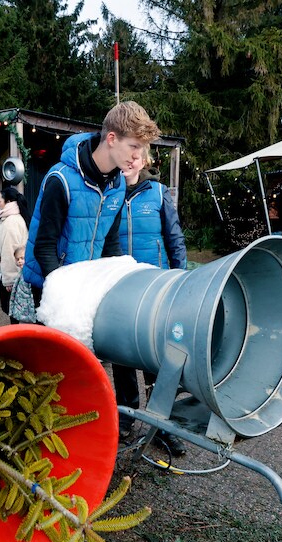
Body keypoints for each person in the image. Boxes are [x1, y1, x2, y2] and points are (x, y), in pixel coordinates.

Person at [22, 101, 161, 303]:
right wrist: (61, 293)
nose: (138, 156)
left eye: (141, 148)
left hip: (84, 286)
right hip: (48, 288)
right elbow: (44, 246)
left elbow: (111, 244)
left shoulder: (118, 185)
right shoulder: (60, 180)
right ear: (112, 138)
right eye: (133, 146)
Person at [113, 156, 187, 455]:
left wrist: (181, 282)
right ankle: (126, 416)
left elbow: (174, 239)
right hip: (120, 288)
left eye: (136, 157)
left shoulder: (158, 193)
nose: (129, 162)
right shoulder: (110, 194)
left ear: (143, 160)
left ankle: (161, 426)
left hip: (156, 289)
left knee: (157, 359)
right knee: (122, 356)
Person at [0, 186, 29, 320]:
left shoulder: (11, 222)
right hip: (10, 273)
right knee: (12, 310)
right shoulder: (7, 220)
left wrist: (9, 279)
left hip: (12, 275)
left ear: (8, 201)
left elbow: (10, 250)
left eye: (0, 201)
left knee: (13, 311)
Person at [7, 246, 36, 324]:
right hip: (22, 308)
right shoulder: (21, 273)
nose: (19, 261)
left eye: (22, 258)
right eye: (17, 259)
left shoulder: (29, 274)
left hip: (27, 309)